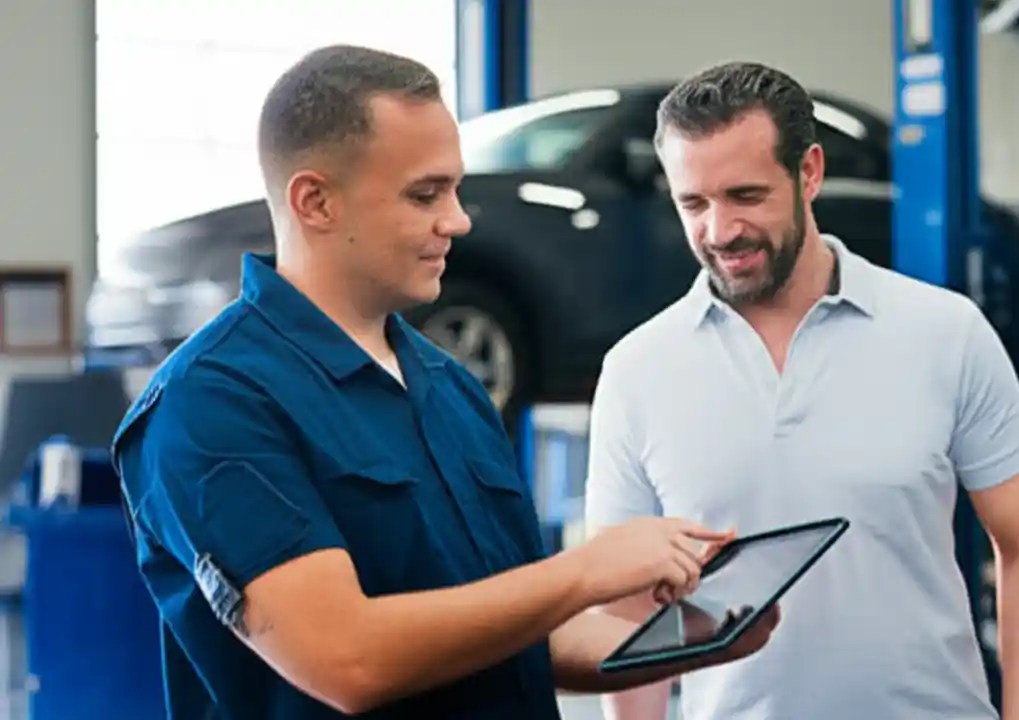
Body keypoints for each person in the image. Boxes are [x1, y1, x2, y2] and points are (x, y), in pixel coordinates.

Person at [109, 45, 778, 720]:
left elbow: (526, 632)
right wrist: (585, 570)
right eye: (424, 195)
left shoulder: (450, 388)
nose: (457, 220)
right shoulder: (213, 404)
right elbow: (347, 658)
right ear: (315, 201)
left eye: (456, 189)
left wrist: (696, 642)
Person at [584, 61, 1019, 720]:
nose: (720, 231)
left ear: (809, 172)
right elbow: (626, 608)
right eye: (693, 203)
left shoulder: (944, 332)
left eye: (747, 196)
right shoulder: (637, 370)